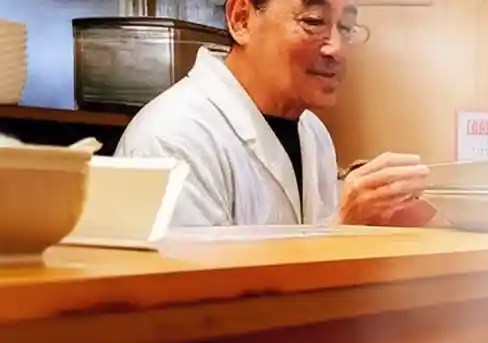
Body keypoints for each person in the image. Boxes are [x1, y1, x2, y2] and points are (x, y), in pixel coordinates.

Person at [116, 0, 433, 228]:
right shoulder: (171, 139)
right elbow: (193, 304)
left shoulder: (313, 132)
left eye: (346, 27)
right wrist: (344, 228)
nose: (336, 48)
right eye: (312, 20)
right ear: (242, 19)